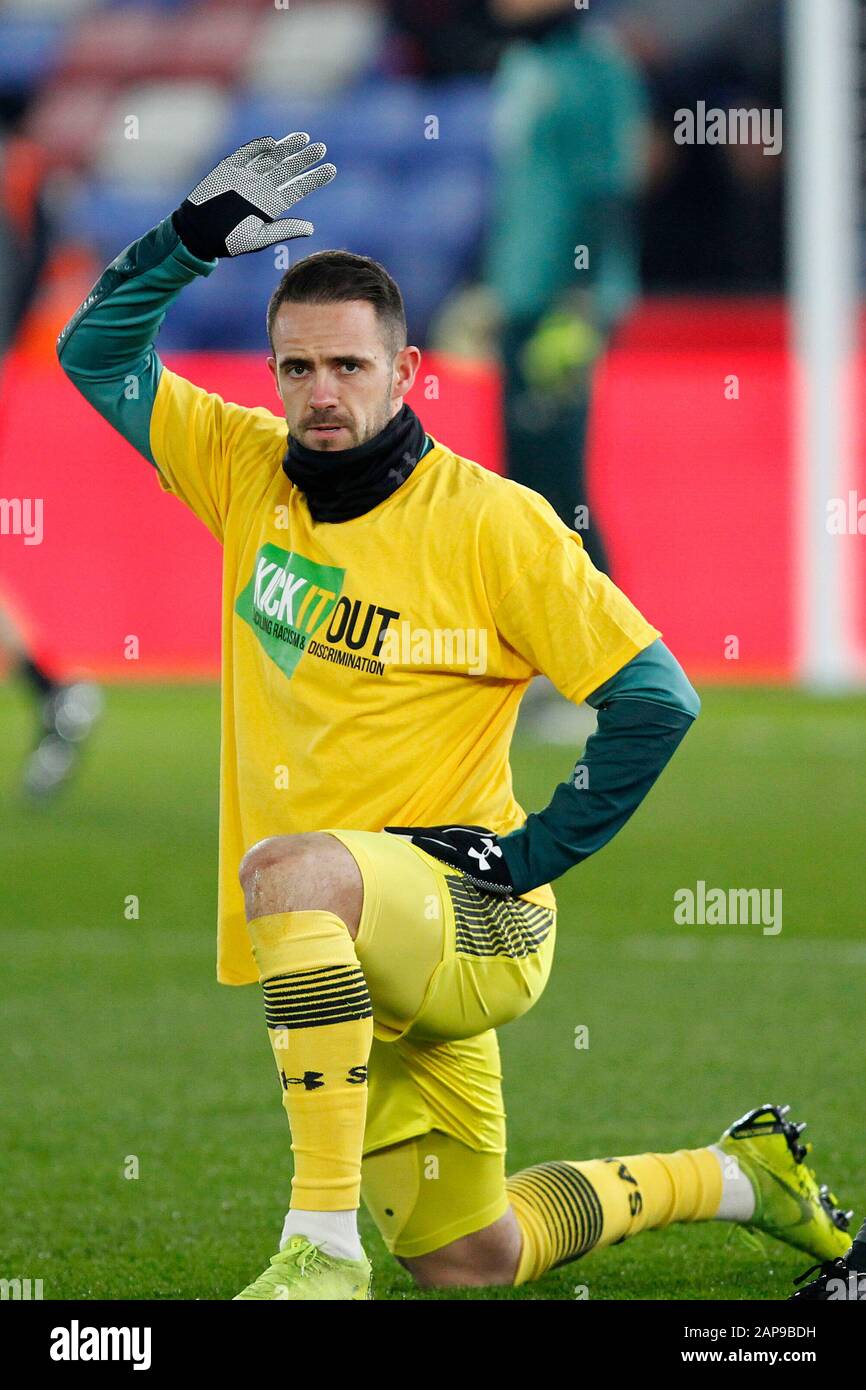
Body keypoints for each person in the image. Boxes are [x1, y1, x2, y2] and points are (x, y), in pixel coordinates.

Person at [56, 135, 852, 1300]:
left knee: (283, 870)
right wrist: (180, 244)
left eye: (346, 366)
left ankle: (318, 1256)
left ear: (406, 371)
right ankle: (744, 1179)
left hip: (468, 916)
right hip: (345, 949)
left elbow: (652, 697)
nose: (318, 394)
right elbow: (95, 353)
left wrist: (532, 853)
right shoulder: (241, 468)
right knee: (467, 1259)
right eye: (295, 369)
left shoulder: (495, 524)